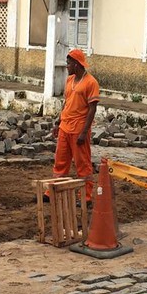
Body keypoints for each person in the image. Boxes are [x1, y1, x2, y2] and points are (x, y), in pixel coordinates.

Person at [48, 48, 100, 204]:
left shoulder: (91, 82)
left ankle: (86, 197)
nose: (67, 66)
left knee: (82, 164)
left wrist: (84, 132)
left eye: (69, 63)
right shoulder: (70, 80)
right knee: (60, 162)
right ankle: (54, 191)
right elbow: (67, 104)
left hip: (78, 130)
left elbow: (92, 109)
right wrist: (58, 122)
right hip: (65, 127)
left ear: (77, 64)